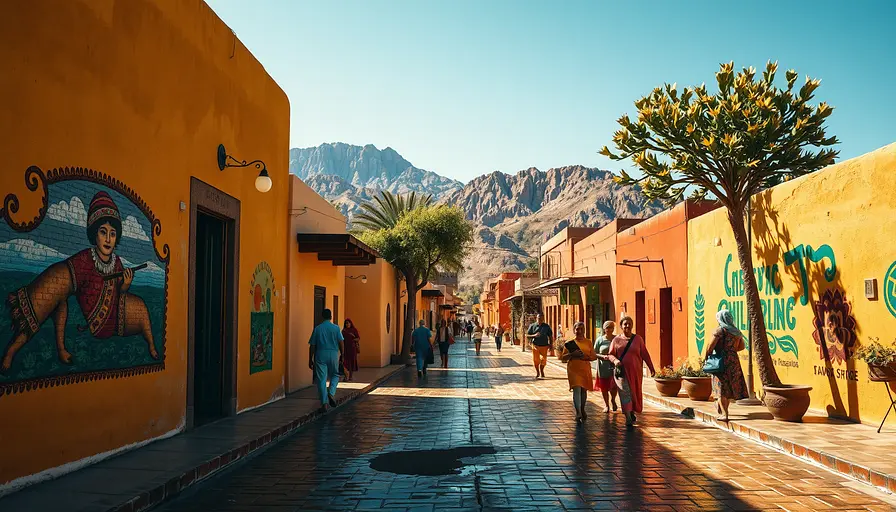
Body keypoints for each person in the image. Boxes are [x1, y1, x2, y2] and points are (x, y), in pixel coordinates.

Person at [602, 314, 655, 428]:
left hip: (636, 373)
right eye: (625, 324)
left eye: (629, 324)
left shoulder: (638, 339)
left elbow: (645, 354)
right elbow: (610, 355)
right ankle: (628, 417)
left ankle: (631, 411)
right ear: (621, 326)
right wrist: (615, 361)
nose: (627, 326)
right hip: (621, 372)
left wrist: (651, 368)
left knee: (633, 393)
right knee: (624, 393)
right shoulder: (616, 340)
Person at [705, 309, 748, 421]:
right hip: (733, 361)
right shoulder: (736, 332)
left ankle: (725, 414)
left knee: (721, 388)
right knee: (728, 388)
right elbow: (742, 346)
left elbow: (710, 346)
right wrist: (731, 351)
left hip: (721, 361)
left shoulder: (719, 331)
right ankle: (723, 409)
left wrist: (707, 356)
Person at [559, 321, 598, 423]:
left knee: (583, 390)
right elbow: (563, 358)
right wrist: (572, 354)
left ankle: (582, 409)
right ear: (574, 330)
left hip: (585, 369)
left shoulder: (588, 342)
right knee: (577, 389)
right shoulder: (569, 343)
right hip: (573, 369)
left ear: (584, 330)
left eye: (581, 329)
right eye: (577, 329)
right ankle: (578, 412)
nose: (579, 331)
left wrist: (586, 357)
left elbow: (593, 356)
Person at [308, 309, 344, 411]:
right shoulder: (336, 328)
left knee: (321, 379)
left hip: (320, 354)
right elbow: (341, 342)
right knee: (335, 375)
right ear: (331, 317)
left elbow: (312, 345)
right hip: (333, 354)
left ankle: (324, 403)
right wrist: (343, 354)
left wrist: (310, 359)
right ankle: (331, 392)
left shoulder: (317, 329)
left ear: (322, 317)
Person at [593, 320, 619, 412]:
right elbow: (594, 353)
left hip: (614, 366)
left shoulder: (616, 339)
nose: (609, 329)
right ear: (604, 329)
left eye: (611, 327)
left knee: (614, 386)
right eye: (607, 327)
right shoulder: (600, 340)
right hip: (603, 366)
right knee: (604, 386)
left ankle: (613, 400)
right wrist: (602, 356)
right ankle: (606, 405)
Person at [526, 314, 554, 379]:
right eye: (539, 318)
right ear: (536, 318)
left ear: (543, 319)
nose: (540, 320)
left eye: (541, 318)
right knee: (536, 360)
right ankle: (538, 372)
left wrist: (551, 345)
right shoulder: (533, 326)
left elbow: (550, 336)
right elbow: (527, 335)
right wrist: (534, 335)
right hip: (535, 345)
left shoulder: (546, 326)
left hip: (544, 346)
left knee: (543, 360)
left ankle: (542, 370)